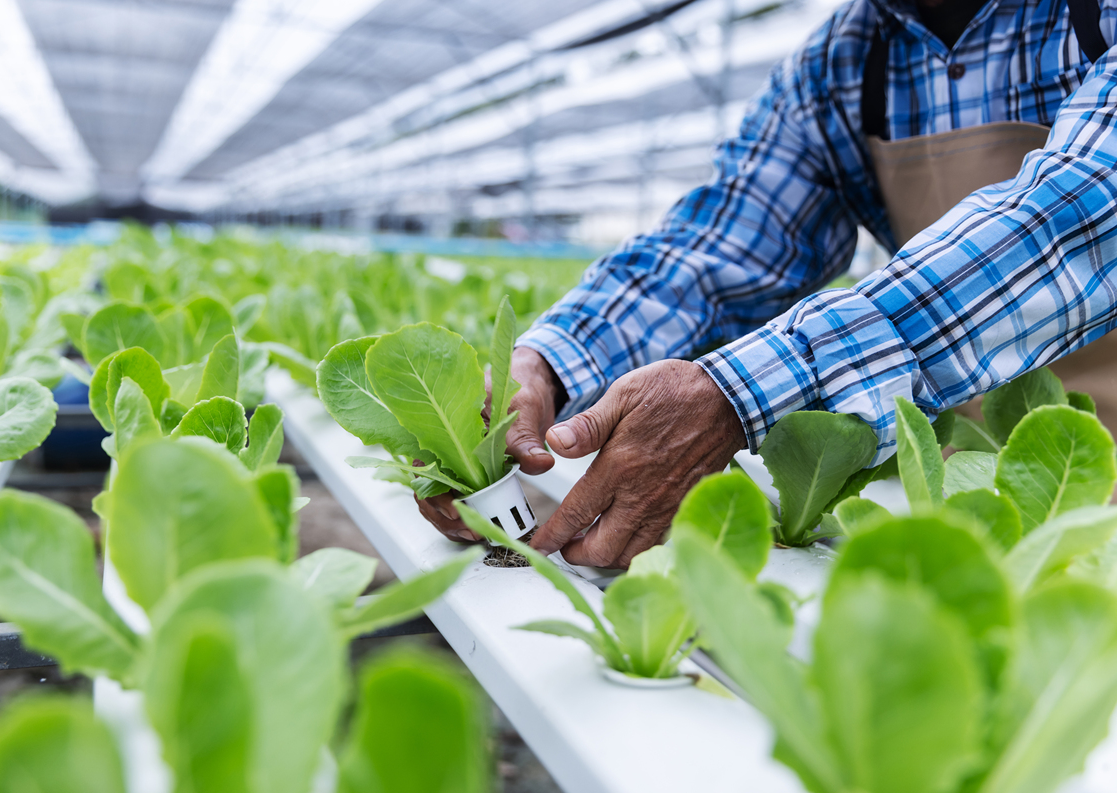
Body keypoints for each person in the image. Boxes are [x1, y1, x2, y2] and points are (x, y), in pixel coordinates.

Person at [420, 0, 1117, 568]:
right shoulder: (846, 59)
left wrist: (737, 392)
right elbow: (723, 245)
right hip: (978, 480)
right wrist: (549, 365)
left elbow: (1077, 211)